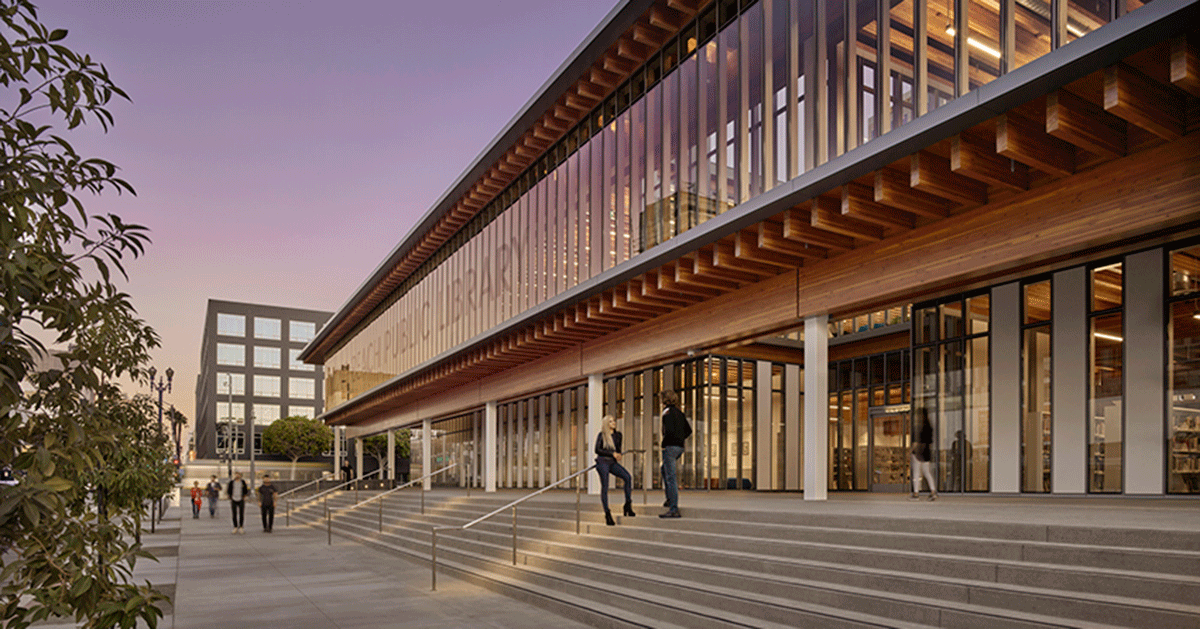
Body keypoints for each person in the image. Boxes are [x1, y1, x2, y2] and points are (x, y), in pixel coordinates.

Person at [594, 415, 635, 526]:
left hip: (612, 463)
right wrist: (612, 453)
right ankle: (607, 513)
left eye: (614, 421)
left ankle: (628, 505)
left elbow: (618, 449)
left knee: (627, 477)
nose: (613, 423)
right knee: (605, 486)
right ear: (606, 424)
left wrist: (619, 455)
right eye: (610, 421)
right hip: (602, 462)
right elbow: (597, 449)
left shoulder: (618, 435)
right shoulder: (602, 435)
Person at [659, 390, 691, 519]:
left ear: (665, 400)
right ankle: (669, 499)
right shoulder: (680, 412)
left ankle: (673, 508)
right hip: (679, 447)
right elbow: (688, 430)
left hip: (670, 447)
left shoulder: (666, 412)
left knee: (671, 478)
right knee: (664, 470)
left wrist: (665, 442)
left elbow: (668, 431)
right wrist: (680, 439)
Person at [911, 415, 938, 501]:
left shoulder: (918, 427)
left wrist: (910, 451)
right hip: (926, 453)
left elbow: (916, 442)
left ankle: (916, 493)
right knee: (927, 473)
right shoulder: (929, 428)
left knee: (916, 473)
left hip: (918, 453)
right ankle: (933, 491)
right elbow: (930, 442)